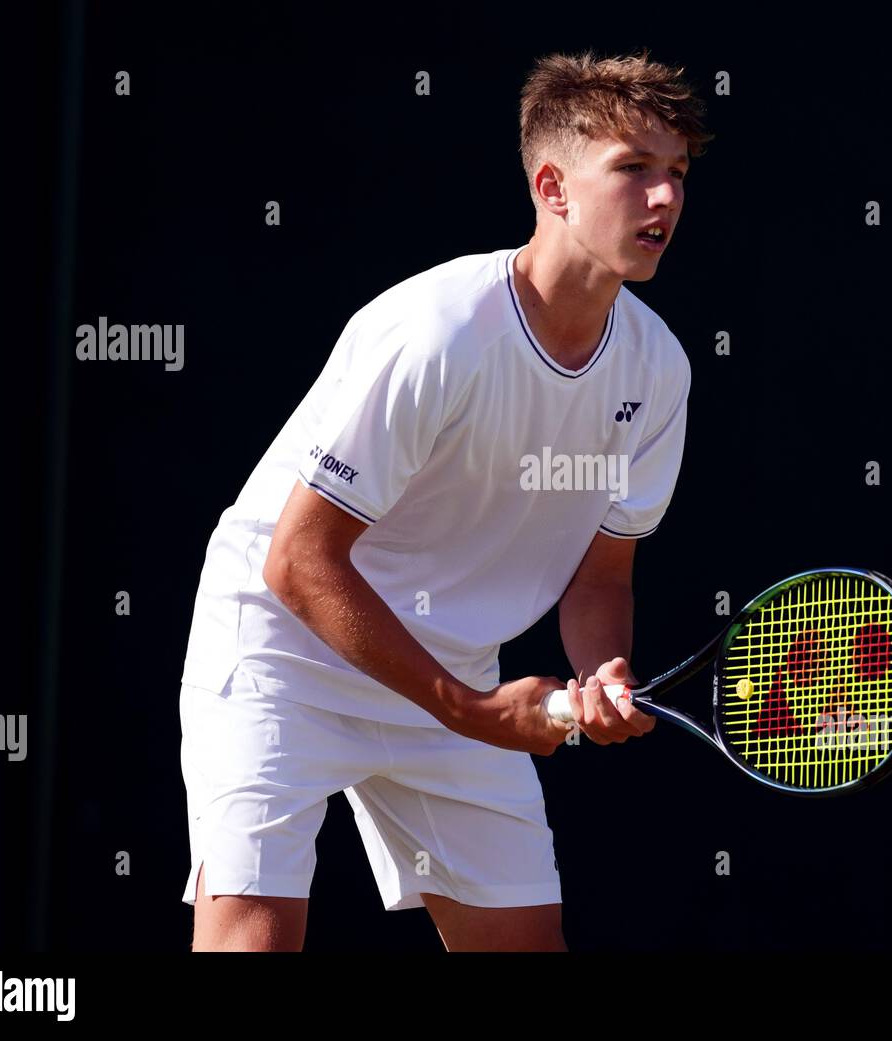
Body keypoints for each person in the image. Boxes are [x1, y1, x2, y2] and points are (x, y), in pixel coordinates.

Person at [178, 49, 713, 951]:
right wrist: (471, 711)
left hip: (456, 663)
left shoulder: (657, 370)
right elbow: (298, 559)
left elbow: (599, 579)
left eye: (677, 175)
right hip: (282, 645)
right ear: (553, 186)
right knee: (251, 943)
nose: (663, 198)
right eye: (633, 170)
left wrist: (603, 673)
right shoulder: (438, 333)